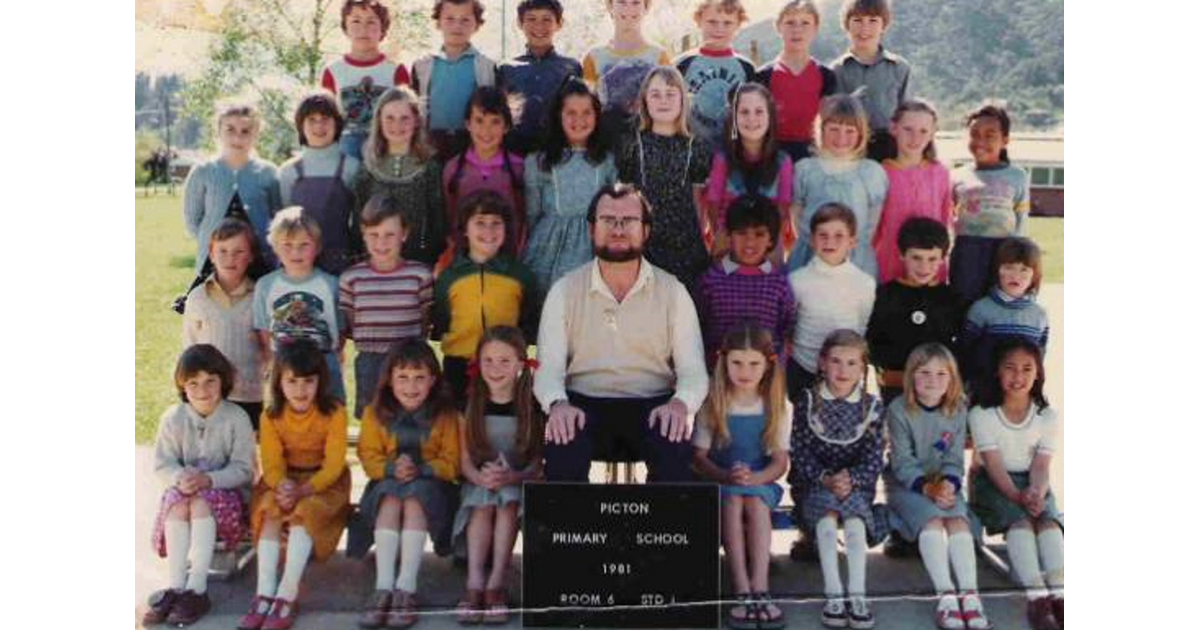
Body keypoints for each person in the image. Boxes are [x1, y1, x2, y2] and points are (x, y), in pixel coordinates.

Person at [534, 183, 708, 483]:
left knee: (674, 446)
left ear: (646, 230)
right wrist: (557, 404)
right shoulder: (564, 291)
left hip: (654, 404)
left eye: (628, 221)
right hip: (583, 404)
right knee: (563, 443)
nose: (618, 229)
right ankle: (578, 532)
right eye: (608, 220)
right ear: (591, 229)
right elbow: (547, 371)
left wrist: (681, 405)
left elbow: (694, 373)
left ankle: (658, 532)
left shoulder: (673, 292)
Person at [239, 340, 350, 630]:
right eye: (292, 381)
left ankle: (287, 593)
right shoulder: (271, 415)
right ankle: (264, 592)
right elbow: (272, 464)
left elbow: (334, 464)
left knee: (304, 514)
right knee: (269, 513)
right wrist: (283, 486)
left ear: (320, 381)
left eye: (308, 381)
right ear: (279, 382)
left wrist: (303, 490)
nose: (300, 390)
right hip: (284, 481)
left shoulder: (333, 412)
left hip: (323, 484)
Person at [352, 340, 461, 629]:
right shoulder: (375, 412)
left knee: (414, 499)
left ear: (433, 380)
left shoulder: (446, 414)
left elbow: (452, 461)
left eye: (419, 378)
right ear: (389, 380)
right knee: (389, 498)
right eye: (402, 378)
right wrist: (390, 468)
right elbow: (368, 456)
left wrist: (423, 469)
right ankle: (384, 586)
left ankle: (406, 587)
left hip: (433, 485)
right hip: (386, 482)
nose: (411, 387)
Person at [145, 345, 255, 627]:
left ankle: (197, 589)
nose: (202, 391)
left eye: (210, 381)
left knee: (200, 501)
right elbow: (163, 464)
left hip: (228, 499)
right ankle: (176, 586)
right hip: (185, 491)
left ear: (223, 381)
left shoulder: (236, 418)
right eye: (193, 383)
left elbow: (243, 469)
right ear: (183, 386)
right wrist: (179, 476)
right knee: (178, 501)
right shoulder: (173, 419)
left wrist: (209, 480)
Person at [691, 323, 791, 629]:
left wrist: (755, 479)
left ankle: (760, 587)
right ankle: (741, 589)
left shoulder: (777, 405)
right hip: (721, 482)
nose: (744, 371)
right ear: (724, 361)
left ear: (768, 365)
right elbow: (698, 458)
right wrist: (725, 474)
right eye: (736, 362)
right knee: (735, 501)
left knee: (755, 503)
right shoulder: (713, 402)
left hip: (760, 482)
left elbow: (779, 462)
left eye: (753, 364)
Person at [883, 343, 990, 630]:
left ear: (952, 379)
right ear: (910, 376)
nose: (933, 380)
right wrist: (928, 489)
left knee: (958, 522)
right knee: (932, 523)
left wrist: (949, 484)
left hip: (943, 484)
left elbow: (954, 458)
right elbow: (902, 462)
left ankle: (970, 595)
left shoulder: (957, 409)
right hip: (908, 485)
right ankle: (946, 596)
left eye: (942, 374)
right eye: (924, 372)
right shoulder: (899, 410)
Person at [788, 330, 886, 629]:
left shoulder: (871, 407)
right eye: (836, 361)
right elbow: (800, 449)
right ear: (822, 363)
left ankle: (857, 595)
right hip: (816, 483)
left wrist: (851, 479)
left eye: (852, 363)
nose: (843, 370)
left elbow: (873, 456)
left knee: (855, 523)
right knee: (827, 521)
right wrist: (825, 478)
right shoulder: (807, 401)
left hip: (855, 485)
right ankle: (833, 595)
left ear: (863, 367)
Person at [968, 338, 1064, 630]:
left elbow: (1041, 465)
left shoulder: (1047, 416)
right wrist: (1017, 496)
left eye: (1027, 369)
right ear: (998, 371)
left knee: (1048, 524)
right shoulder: (981, 414)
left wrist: (1037, 491)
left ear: (1038, 373)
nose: (1018, 377)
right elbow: (993, 465)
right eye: (1010, 368)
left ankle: (1060, 595)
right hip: (994, 482)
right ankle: (1036, 598)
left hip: (1032, 481)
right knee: (1021, 526)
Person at [453, 327, 544, 625]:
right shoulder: (471, 405)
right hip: (479, 481)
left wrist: (513, 477)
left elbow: (537, 466)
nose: (496, 369)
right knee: (482, 502)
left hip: (516, 483)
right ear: (478, 363)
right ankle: (474, 582)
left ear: (521, 363)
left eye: (505, 361)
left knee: (507, 503)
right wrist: (480, 478)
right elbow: (465, 462)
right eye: (488, 360)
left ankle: (496, 583)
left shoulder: (532, 407)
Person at [432, 190, 539, 403]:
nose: (488, 230)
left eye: (496, 223)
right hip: (459, 364)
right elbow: (442, 320)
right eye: (480, 222)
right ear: (465, 229)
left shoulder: (520, 275)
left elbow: (528, 319)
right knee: (462, 424)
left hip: (505, 365)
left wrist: (514, 349)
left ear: (506, 229)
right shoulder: (449, 276)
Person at [179, 100, 282, 312]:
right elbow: (192, 221)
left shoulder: (268, 173)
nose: (238, 137)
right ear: (219, 130)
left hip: (259, 262)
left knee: (256, 322)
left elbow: (278, 218)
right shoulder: (203, 171)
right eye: (230, 129)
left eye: (246, 131)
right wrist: (214, 246)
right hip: (215, 262)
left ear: (256, 134)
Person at [615, 67, 713, 290]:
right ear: (645, 101)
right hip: (645, 241)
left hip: (685, 243)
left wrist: (699, 239)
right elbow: (626, 196)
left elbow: (699, 201)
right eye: (655, 94)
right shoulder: (633, 143)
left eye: (671, 94)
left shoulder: (695, 146)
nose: (663, 101)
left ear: (682, 100)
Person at [339, 194, 434, 419]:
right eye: (374, 235)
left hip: (409, 362)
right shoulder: (352, 278)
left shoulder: (420, 275)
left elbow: (425, 319)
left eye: (389, 235)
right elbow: (352, 320)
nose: (381, 243)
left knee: (412, 418)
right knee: (373, 418)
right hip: (370, 360)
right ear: (363, 234)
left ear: (405, 234)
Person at [521, 77, 618, 298]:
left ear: (597, 115)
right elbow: (532, 213)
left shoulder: (605, 161)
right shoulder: (539, 161)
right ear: (559, 116)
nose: (579, 120)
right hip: (549, 246)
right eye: (571, 113)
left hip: (592, 245)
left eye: (586, 113)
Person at [252, 207, 347, 402]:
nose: (296, 251)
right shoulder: (265, 285)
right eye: (287, 245)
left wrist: (333, 357)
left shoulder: (331, 284)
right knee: (284, 418)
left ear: (318, 247)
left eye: (304, 244)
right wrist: (273, 361)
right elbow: (263, 329)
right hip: (284, 363)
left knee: (330, 411)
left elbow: (341, 328)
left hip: (324, 361)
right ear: (275, 247)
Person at [866, 218, 963, 406]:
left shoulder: (950, 298)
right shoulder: (886, 295)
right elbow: (873, 341)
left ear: (943, 258)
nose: (924, 267)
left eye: (932, 259)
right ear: (902, 255)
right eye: (916, 258)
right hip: (895, 388)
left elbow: (957, 345)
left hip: (938, 390)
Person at [788, 94, 888, 276]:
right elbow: (797, 216)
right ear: (821, 130)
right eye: (834, 129)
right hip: (811, 258)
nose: (841, 137)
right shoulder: (805, 169)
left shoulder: (871, 172)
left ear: (861, 134)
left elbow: (871, 225)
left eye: (850, 131)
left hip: (855, 261)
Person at [182, 218, 267, 430]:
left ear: (251, 256)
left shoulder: (260, 296)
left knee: (246, 454)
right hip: (209, 396)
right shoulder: (198, 298)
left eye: (239, 251)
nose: (230, 258)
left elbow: (268, 348)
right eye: (223, 251)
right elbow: (189, 347)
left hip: (250, 394)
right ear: (211, 255)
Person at [695, 194, 796, 367]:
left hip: (765, 379)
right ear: (729, 236)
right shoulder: (710, 281)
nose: (750, 242)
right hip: (719, 376)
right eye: (741, 233)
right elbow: (698, 329)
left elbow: (785, 330)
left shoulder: (779, 284)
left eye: (759, 234)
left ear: (771, 239)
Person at [787, 204, 875, 401]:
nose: (830, 242)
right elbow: (790, 326)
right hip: (804, 369)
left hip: (844, 376)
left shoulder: (864, 283)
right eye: (823, 235)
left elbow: (861, 327)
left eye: (838, 236)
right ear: (812, 240)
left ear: (852, 242)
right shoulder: (797, 280)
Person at [354, 86, 447, 267]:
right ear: (379, 121)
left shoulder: (429, 168)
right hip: (375, 264)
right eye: (390, 118)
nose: (397, 126)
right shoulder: (368, 167)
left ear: (417, 121)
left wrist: (431, 259)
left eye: (405, 118)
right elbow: (359, 222)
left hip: (418, 264)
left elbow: (438, 223)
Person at [702, 82, 794, 261]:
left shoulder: (783, 161)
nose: (752, 119)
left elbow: (783, 211)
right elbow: (713, 206)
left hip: (767, 243)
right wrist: (728, 239)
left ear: (770, 116)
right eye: (744, 112)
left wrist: (766, 245)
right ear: (733, 118)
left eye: (759, 112)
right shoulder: (722, 160)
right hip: (730, 241)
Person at [950, 103, 1031, 305]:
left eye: (990, 135)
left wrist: (1017, 257)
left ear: (1005, 140)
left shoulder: (1017, 175)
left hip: (1004, 253)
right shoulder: (956, 175)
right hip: (966, 254)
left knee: (999, 307)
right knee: (965, 307)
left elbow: (1021, 219)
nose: (980, 141)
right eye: (974, 134)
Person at [441, 86, 526, 267]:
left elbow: (525, 220)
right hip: (464, 265)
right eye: (479, 121)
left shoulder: (519, 170)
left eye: (495, 122)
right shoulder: (454, 170)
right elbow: (449, 218)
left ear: (506, 126)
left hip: (507, 265)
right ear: (468, 124)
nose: (486, 131)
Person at [278, 90, 361, 274]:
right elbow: (282, 228)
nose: (319, 125)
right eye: (312, 120)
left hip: (341, 263)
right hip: (299, 265)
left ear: (337, 123)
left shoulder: (352, 167)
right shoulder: (288, 171)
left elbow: (358, 223)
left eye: (325, 119)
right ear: (301, 125)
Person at [873, 99, 952, 285]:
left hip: (929, 268)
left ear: (933, 133)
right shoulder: (879, 173)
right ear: (894, 128)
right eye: (908, 129)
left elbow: (944, 220)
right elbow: (873, 228)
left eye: (923, 131)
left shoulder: (940, 172)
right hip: (890, 264)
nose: (915, 138)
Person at [960, 237, 1048, 396]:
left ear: (1034, 276)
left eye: (1024, 270)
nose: (1016, 276)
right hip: (984, 390)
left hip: (1019, 392)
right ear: (997, 270)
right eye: (1009, 268)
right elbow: (966, 351)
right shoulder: (981, 309)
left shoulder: (1039, 315)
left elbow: (1038, 359)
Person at [321, 0, 410, 160]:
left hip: (385, 147)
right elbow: (326, 118)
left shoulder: (396, 70)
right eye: (356, 21)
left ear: (383, 28)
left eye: (371, 21)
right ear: (345, 26)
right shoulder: (333, 71)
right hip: (346, 151)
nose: (363, 28)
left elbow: (407, 115)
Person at [411, 0, 497, 158]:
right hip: (431, 142)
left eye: (465, 20)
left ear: (477, 25)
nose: (457, 26)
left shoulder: (487, 66)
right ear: (438, 23)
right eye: (450, 19)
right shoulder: (422, 65)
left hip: (471, 143)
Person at [496, 0, 583, 156]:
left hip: (558, 153)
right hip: (515, 153)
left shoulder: (572, 67)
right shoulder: (505, 69)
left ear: (559, 23)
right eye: (531, 19)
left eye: (547, 19)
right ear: (519, 22)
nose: (539, 26)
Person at [753, 1, 836, 162]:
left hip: (813, 155)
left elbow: (828, 121)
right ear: (778, 27)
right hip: (773, 155)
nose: (797, 30)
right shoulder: (764, 75)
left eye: (805, 23)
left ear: (815, 28)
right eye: (790, 22)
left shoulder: (826, 75)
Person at [829, 0, 910, 162]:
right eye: (857, 21)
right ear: (847, 25)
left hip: (890, 149)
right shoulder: (836, 70)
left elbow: (907, 114)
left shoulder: (899, 67)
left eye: (873, 21)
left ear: (884, 25)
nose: (864, 28)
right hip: (848, 149)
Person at [581, 0, 671, 138]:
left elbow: (669, 109)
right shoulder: (593, 57)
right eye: (622, 2)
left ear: (646, 7)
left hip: (649, 144)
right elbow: (585, 109)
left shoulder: (659, 57)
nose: (629, 8)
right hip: (605, 145)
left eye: (636, 2)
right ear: (610, 6)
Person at [673, 0, 756, 149]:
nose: (719, 29)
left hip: (733, 150)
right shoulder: (683, 63)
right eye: (712, 22)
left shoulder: (746, 67)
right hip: (690, 148)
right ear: (699, 20)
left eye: (727, 23)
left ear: (738, 25)